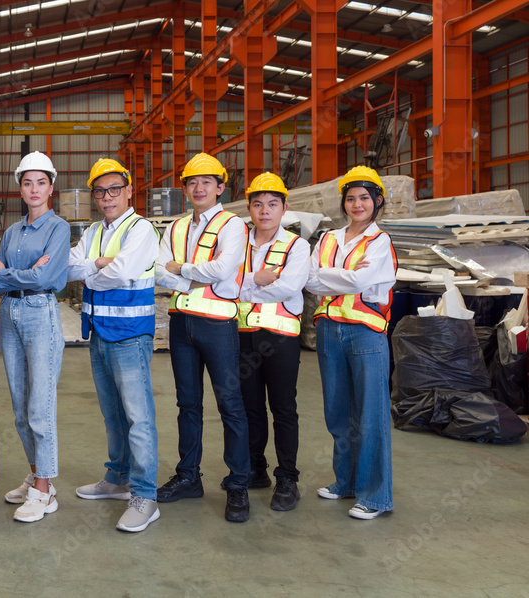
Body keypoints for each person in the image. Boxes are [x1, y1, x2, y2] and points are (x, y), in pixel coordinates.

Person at [154, 152, 252, 523]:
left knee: (231, 405)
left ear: (220, 187)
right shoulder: (175, 227)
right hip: (182, 324)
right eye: (192, 182)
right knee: (188, 405)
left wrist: (181, 269)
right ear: (185, 189)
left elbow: (224, 269)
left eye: (206, 182)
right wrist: (194, 277)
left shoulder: (233, 225)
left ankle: (238, 483)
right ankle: (188, 477)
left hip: (217, 325)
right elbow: (158, 271)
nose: (199, 188)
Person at [69, 158, 161, 533]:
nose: (107, 197)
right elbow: (69, 268)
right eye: (100, 191)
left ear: (128, 191)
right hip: (99, 333)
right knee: (113, 415)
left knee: (138, 418)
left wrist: (93, 270)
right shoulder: (93, 231)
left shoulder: (141, 229)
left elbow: (121, 273)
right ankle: (118, 478)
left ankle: (146, 495)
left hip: (130, 334)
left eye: (114, 189)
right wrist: (99, 263)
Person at [305, 165, 397, 520]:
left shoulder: (380, 241)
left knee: (371, 414)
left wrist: (329, 277)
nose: (357, 204)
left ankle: (375, 496)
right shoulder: (329, 238)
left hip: (365, 332)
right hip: (329, 330)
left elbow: (358, 281)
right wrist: (343, 277)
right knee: (338, 412)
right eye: (351, 198)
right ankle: (345, 482)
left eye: (364, 198)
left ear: (377, 201)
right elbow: (309, 280)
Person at [0, 152, 70, 523]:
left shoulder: (58, 228)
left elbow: (45, 279)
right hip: (9, 313)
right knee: (21, 408)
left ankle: (44, 489)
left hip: (40, 313)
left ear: (51, 187)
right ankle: (38, 475)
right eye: (27, 183)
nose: (34, 189)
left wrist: (7, 273)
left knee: (40, 405)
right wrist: (14, 275)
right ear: (20, 189)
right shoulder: (11, 232)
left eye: (41, 182)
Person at [237, 172, 310, 511]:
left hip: (280, 339)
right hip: (242, 336)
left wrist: (243, 287)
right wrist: (257, 280)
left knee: (283, 409)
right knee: (250, 408)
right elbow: (222, 281)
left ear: (284, 208)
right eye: (257, 204)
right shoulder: (237, 243)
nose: (264, 211)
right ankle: (256, 469)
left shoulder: (297, 246)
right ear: (249, 208)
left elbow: (289, 287)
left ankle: (287, 479)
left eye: (272, 204)